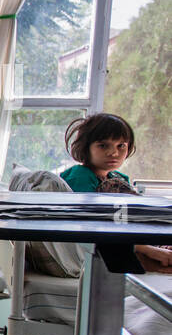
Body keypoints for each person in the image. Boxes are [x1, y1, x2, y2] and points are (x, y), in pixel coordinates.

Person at [59, 113, 172, 272]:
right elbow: (94, 223)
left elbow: (132, 217)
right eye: (103, 145)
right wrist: (147, 248)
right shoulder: (80, 176)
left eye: (121, 146)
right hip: (104, 245)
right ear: (86, 147)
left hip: (128, 238)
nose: (114, 153)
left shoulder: (118, 178)